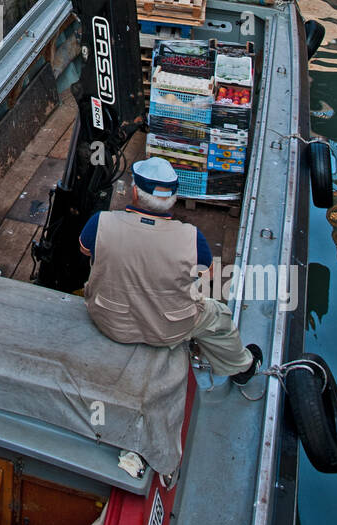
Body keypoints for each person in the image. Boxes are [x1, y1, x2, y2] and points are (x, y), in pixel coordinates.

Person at [79, 156, 262, 383]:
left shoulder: (100, 222)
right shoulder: (192, 238)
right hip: (167, 330)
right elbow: (208, 275)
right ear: (173, 200)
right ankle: (242, 367)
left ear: (135, 193)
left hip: (109, 319)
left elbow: (85, 250)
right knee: (219, 319)